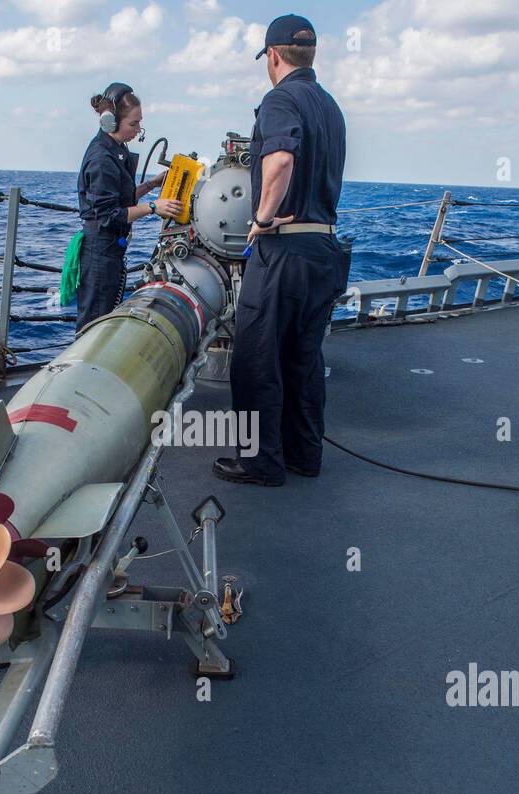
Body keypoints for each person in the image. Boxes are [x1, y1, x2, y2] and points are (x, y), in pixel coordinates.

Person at [212, 14, 350, 487]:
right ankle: (303, 455)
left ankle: (260, 462)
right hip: (324, 250)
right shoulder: (330, 107)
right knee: (304, 358)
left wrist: (262, 219)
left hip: (283, 252)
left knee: (256, 359)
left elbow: (282, 158)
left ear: (272, 56)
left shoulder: (280, 98)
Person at [73, 82, 183, 331]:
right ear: (110, 122)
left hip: (110, 251)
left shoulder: (115, 151)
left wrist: (151, 184)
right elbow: (109, 215)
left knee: (105, 319)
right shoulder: (102, 158)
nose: (138, 130)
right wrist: (154, 207)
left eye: (139, 123)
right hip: (100, 252)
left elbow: (119, 198)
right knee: (94, 325)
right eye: (133, 124)